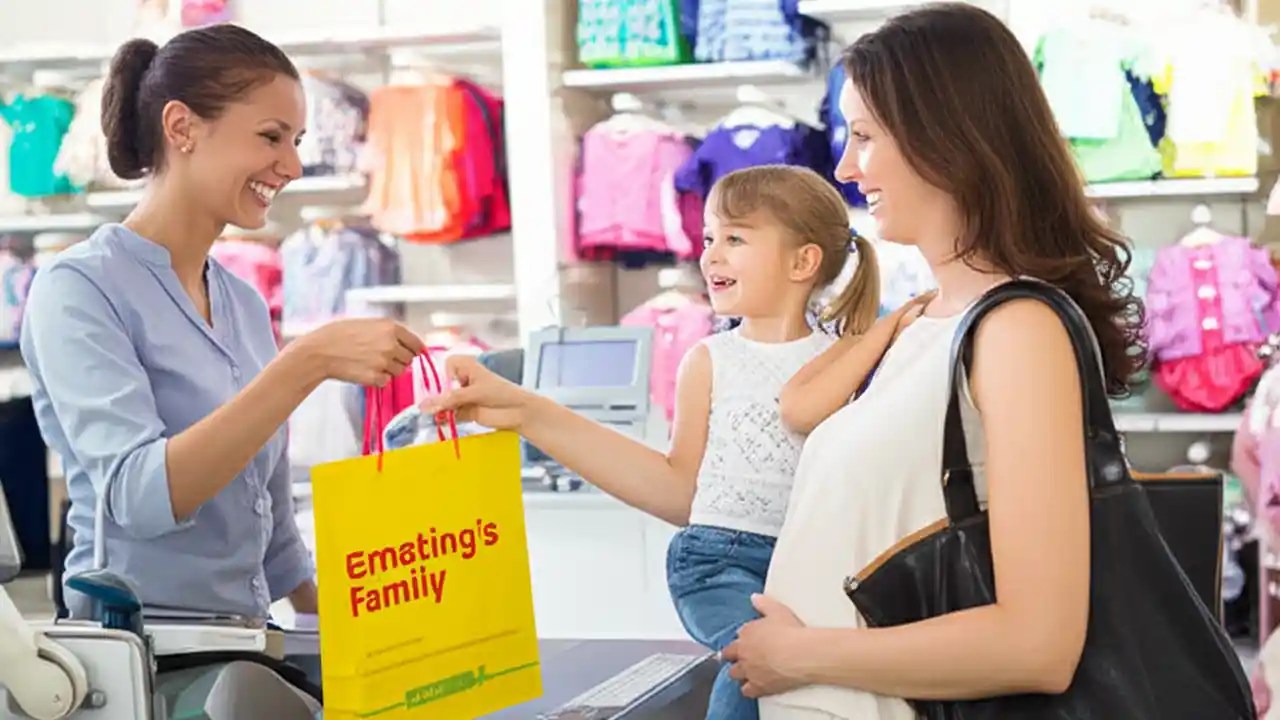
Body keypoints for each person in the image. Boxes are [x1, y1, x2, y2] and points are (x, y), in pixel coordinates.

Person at [713, 5, 1144, 719]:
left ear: (944, 137)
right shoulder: (929, 325)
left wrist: (798, 654)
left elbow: (1038, 642)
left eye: (864, 136)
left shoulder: (1017, 331)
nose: (847, 168)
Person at [428, 164, 918, 720]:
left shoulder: (845, 356)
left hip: (805, 562)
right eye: (709, 238)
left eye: (734, 238)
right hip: (717, 561)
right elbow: (685, 488)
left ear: (803, 261)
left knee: (813, 676)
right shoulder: (709, 360)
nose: (710, 255)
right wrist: (530, 413)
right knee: (756, 662)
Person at [20, 25, 424, 624]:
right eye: (271, 137)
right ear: (181, 127)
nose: (291, 164)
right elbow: (139, 496)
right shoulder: (78, 289)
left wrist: (354, 623)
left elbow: (268, 513)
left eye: (297, 140)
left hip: (248, 646)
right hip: (143, 658)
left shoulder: (242, 300)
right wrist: (305, 364)